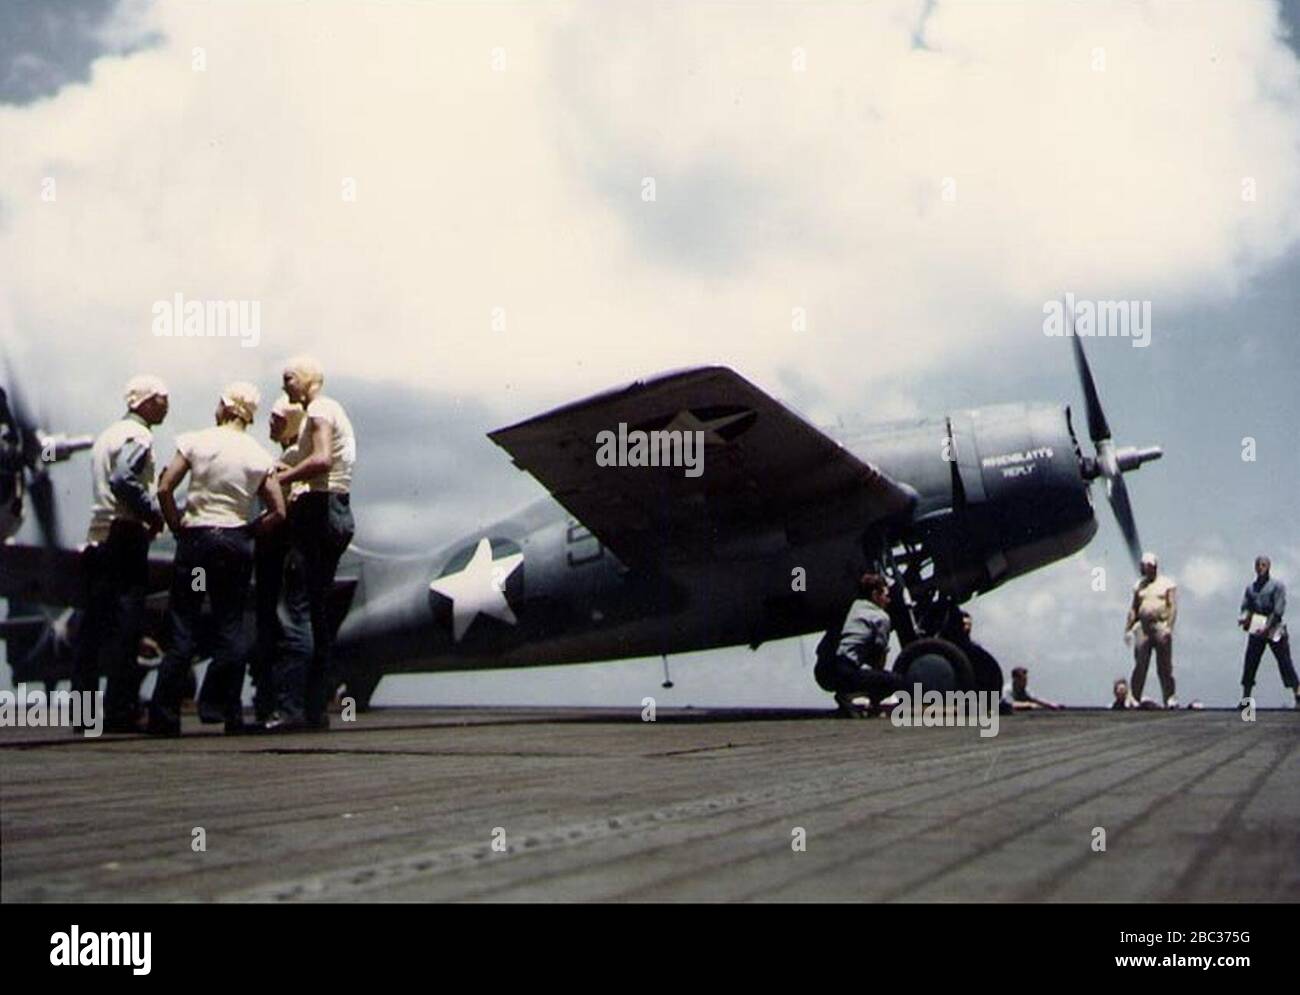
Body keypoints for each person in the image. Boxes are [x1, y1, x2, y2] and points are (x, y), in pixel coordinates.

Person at [147, 384, 284, 735]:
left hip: (197, 545)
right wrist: (249, 532)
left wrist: (177, 524)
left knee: (184, 623)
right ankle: (231, 714)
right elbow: (278, 511)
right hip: (234, 547)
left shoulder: (196, 440)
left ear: (224, 408)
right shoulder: (258, 454)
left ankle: (164, 716)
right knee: (231, 625)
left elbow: (164, 488)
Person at [72, 375, 169, 733]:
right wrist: (153, 513)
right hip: (126, 534)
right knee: (127, 626)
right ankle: (119, 710)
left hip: (97, 536)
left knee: (92, 628)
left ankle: (83, 714)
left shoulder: (105, 436)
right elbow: (125, 479)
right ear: (144, 402)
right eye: (161, 398)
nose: (166, 405)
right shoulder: (139, 436)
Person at [268, 356, 356, 731]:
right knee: (317, 614)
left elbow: (320, 459)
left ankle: (290, 710)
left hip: (317, 511)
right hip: (338, 510)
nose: (285, 386)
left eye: (289, 379)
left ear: (306, 379)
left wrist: (286, 475)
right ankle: (316, 709)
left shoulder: (319, 408)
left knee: (295, 612)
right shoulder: (335, 411)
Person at [249, 395, 305, 723]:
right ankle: (285, 703)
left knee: (289, 627)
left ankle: (286, 706)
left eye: (278, 418)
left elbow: (280, 514)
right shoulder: (293, 457)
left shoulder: (290, 460)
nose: (270, 423)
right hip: (285, 556)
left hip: (282, 557)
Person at [814, 572, 904, 717]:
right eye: (886, 596)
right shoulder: (880, 617)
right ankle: (853, 698)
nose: (888, 601)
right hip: (843, 670)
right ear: (875, 595)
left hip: (823, 672)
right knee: (895, 680)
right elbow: (879, 661)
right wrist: (878, 681)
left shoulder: (851, 607)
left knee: (859, 673)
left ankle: (851, 697)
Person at [1237, 555, 1298, 710]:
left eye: (1263, 565)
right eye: (1258, 565)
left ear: (1268, 567)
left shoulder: (1277, 586)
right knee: (1250, 662)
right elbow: (1245, 607)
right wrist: (1244, 619)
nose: (1260, 568)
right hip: (1257, 626)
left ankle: (1297, 692)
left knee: (1284, 662)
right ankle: (1246, 699)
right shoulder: (1251, 588)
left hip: (1274, 627)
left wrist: (1268, 626)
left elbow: (1278, 609)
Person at [1125, 551, 1178, 707]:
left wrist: (1169, 627)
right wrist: (1127, 629)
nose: (1144, 570)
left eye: (1147, 567)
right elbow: (1134, 608)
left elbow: (1172, 606)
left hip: (1160, 625)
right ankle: (1135, 697)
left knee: (1164, 665)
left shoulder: (1167, 583)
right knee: (1140, 663)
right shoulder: (1139, 585)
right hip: (1143, 626)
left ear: (1153, 567)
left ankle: (1169, 698)